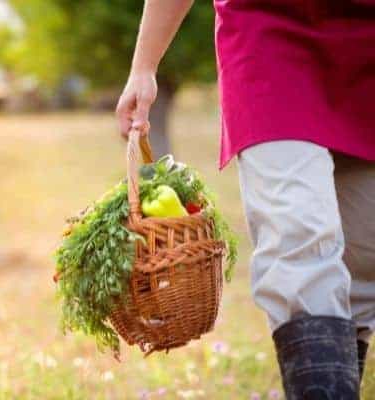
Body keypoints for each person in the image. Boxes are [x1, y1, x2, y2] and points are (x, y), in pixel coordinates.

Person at [116, 1, 375, 398]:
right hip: (267, 37)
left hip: (365, 40)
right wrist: (144, 66)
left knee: (363, 259)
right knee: (298, 235)